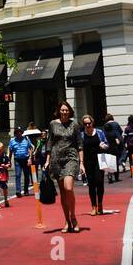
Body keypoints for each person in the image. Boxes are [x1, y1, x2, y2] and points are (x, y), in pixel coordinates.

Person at [44, 100, 85, 234]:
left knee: (68, 188)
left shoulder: (75, 125)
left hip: (71, 158)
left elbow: (79, 144)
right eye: (62, 110)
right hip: (56, 159)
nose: (64, 112)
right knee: (62, 192)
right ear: (59, 111)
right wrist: (47, 160)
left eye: (66, 110)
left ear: (69, 111)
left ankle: (73, 217)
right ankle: (66, 220)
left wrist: (82, 163)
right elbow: (49, 142)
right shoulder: (52, 124)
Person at [80, 115, 106, 216]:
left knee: (99, 182)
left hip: (99, 161)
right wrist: (81, 163)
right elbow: (79, 148)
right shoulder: (82, 135)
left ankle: (100, 203)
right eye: (85, 124)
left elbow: (107, 144)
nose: (87, 125)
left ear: (92, 123)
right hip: (88, 162)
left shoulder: (99, 132)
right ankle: (93, 207)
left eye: (89, 123)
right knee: (91, 185)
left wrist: (103, 145)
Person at [9, 125, 35, 197]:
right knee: (18, 175)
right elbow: (10, 151)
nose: (19, 133)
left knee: (26, 175)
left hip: (26, 159)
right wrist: (9, 161)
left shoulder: (26, 139)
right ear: (15, 133)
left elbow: (30, 148)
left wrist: (30, 158)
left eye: (20, 132)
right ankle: (18, 191)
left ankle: (26, 190)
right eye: (17, 132)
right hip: (17, 159)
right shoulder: (12, 140)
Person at [103, 113, 124, 182]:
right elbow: (121, 132)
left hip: (108, 148)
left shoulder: (105, 128)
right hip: (115, 147)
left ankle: (109, 175)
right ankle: (116, 176)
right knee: (116, 161)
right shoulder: (115, 125)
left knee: (109, 162)